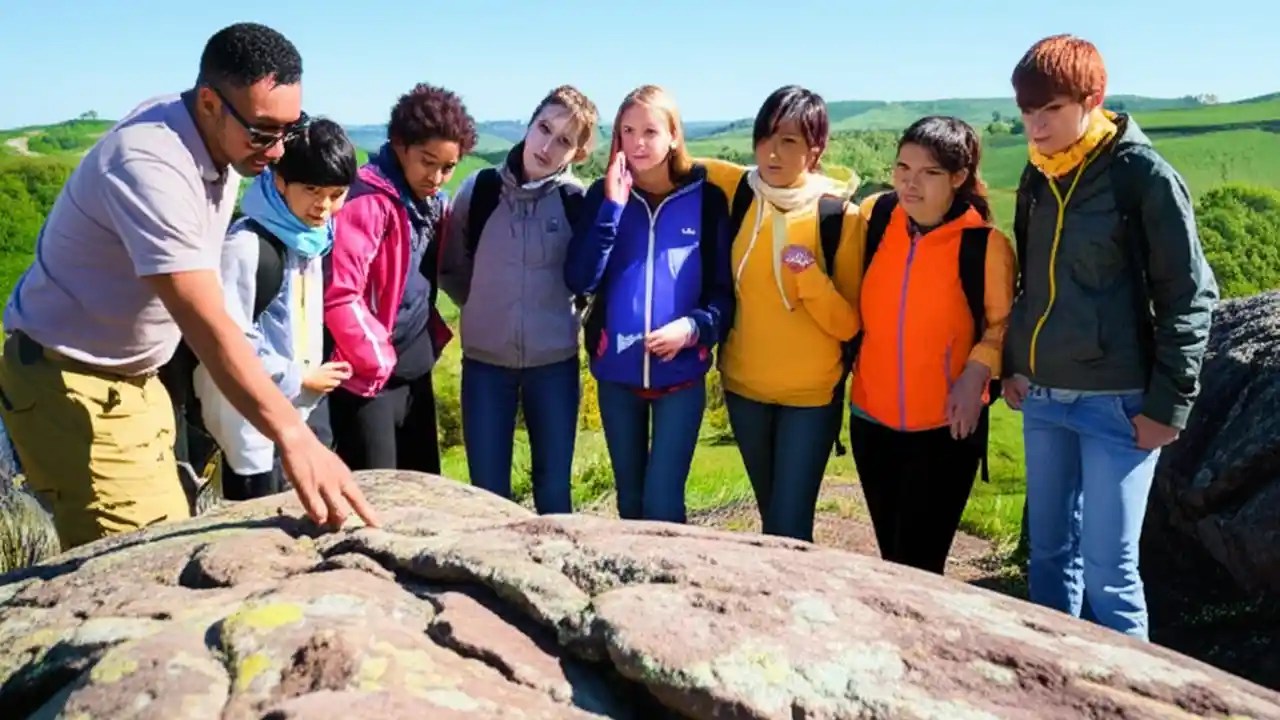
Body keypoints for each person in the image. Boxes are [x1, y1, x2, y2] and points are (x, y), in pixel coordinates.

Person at [0, 22, 377, 550]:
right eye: (263, 132)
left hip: (134, 378)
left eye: (289, 130)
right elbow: (207, 322)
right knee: (135, 559)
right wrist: (292, 435)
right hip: (73, 381)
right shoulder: (152, 165)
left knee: (173, 537)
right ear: (208, 102)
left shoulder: (212, 140)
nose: (276, 152)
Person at [1000, 35, 1218, 639]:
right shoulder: (1038, 173)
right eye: (1026, 112)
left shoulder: (1142, 177)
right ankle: (1049, 686)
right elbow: (1032, 282)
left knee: (1109, 573)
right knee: (1047, 556)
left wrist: (1168, 406)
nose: (1035, 127)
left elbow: (1191, 294)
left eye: (1050, 111)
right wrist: (1015, 364)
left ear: (1093, 99)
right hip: (1042, 398)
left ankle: (1132, 698)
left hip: (1118, 409)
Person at [698, 85, 866, 542]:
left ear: (816, 149)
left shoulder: (839, 217)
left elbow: (849, 322)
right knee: (771, 518)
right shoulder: (738, 191)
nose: (772, 152)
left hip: (810, 397)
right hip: (743, 387)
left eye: (789, 140)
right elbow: (667, 157)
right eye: (765, 137)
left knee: (790, 525)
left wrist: (810, 278)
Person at [849, 116, 1015, 575]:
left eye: (929, 173)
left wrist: (977, 372)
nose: (910, 183)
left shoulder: (985, 246)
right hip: (870, 420)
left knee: (921, 566)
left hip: (944, 429)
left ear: (959, 178)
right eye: (903, 168)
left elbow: (1001, 325)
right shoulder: (876, 218)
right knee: (891, 558)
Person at [565, 85, 734, 524]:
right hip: (616, 374)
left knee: (662, 506)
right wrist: (612, 209)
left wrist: (694, 328)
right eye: (627, 130)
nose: (637, 142)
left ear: (674, 136)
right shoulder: (600, 198)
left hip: (681, 375)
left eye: (650, 131)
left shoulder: (707, 201)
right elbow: (579, 279)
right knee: (630, 504)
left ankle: (668, 594)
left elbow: (722, 295)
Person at [439, 86, 599, 514]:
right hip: (485, 366)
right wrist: (481, 308)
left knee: (554, 493)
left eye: (564, 140)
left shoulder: (574, 202)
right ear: (528, 125)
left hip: (555, 366)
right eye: (544, 128)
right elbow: (452, 266)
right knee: (486, 496)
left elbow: (587, 279)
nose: (547, 146)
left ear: (577, 153)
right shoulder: (481, 190)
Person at [193, 118, 357, 501]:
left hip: (299, 416)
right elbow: (227, 338)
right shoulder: (247, 245)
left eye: (337, 194)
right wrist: (298, 378)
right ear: (280, 180)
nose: (324, 206)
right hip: (248, 431)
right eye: (313, 190)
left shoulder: (309, 239)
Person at [325, 83, 477, 473]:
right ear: (399, 144)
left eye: (448, 167)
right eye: (428, 161)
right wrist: (375, 362)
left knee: (423, 486)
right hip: (367, 377)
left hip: (414, 367)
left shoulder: (431, 205)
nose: (437, 177)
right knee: (376, 487)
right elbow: (341, 294)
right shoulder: (367, 203)